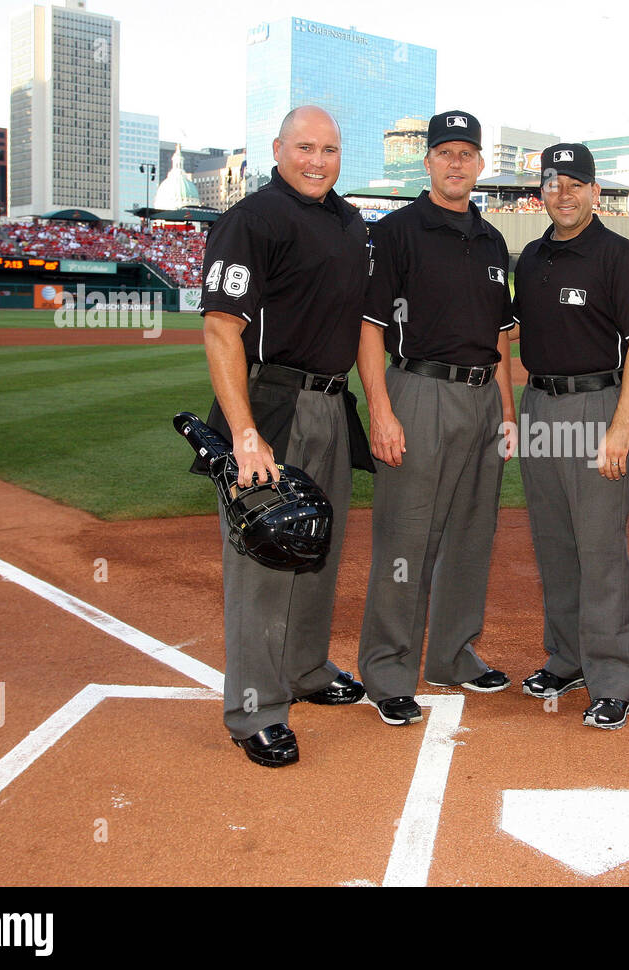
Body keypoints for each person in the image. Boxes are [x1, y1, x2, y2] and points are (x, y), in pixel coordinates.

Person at [199, 106, 370, 768]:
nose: (317, 159)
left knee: (316, 547)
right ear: (278, 149)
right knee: (264, 559)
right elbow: (220, 329)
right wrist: (243, 431)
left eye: (329, 148)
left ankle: (305, 669)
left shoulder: (350, 223)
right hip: (270, 400)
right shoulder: (252, 218)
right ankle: (254, 710)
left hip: (330, 402)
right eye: (304, 147)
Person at [356, 110, 516, 726]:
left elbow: (501, 338)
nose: (456, 162)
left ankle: (452, 654)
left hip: (481, 398)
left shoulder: (494, 239)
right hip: (418, 391)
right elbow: (369, 329)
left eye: (466, 153)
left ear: (479, 164)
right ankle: (389, 669)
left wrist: (506, 411)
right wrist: (383, 412)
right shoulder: (395, 232)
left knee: (472, 535)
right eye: (444, 152)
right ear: (427, 162)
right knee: (406, 538)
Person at [512, 144, 629, 730]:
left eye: (577, 184)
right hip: (539, 405)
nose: (565, 193)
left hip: (597, 405)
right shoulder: (530, 259)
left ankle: (614, 677)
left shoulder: (621, 256)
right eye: (554, 183)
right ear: (542, 191)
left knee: (600, 552)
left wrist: (622, 424)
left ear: (596, 192)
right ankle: (567, 658)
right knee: (555, 546)